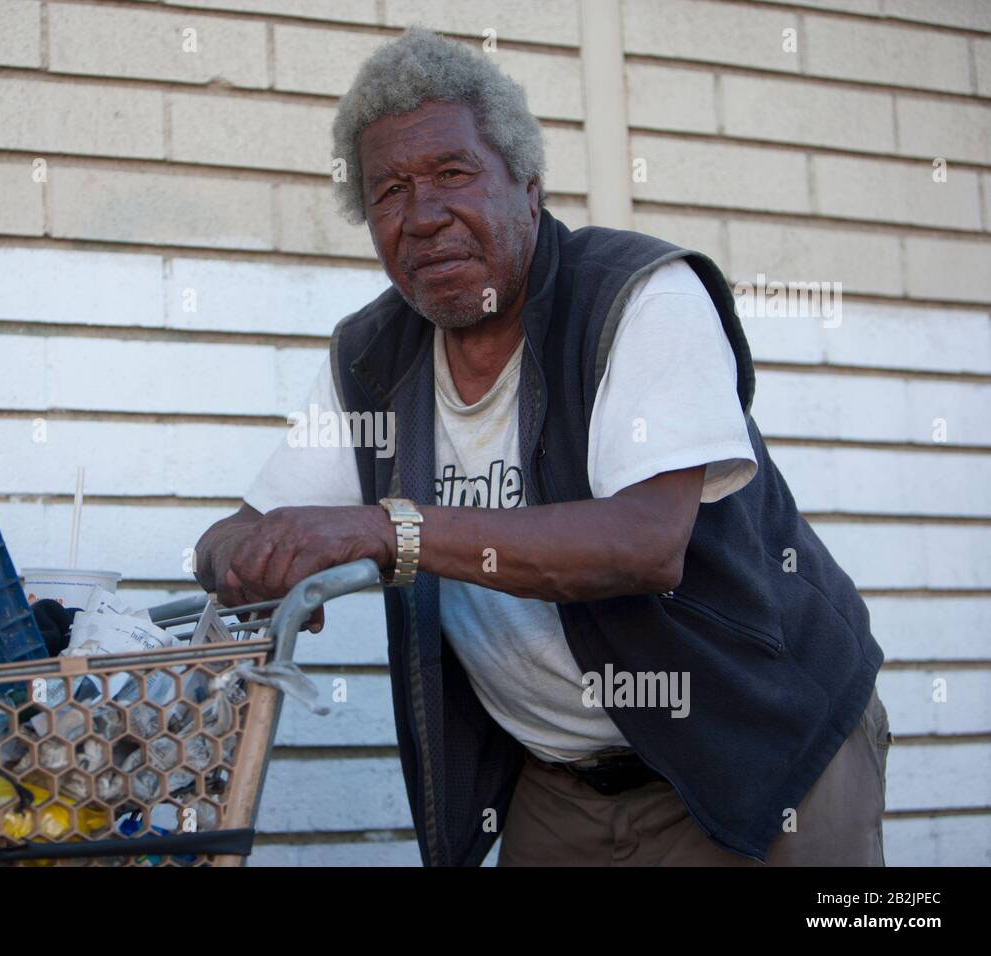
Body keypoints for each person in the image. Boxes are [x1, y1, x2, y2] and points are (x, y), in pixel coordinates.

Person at [194, 27, 890, 867]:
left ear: (529, 186)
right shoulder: (371, 357)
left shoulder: (637, 296)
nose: (422, 216)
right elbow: (238, 531)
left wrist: (389, 531)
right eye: (388, 192)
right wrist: (243, 557)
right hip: (560, 783)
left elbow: (643, 545)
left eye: (453, 174)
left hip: (761, 749)